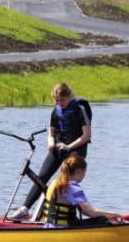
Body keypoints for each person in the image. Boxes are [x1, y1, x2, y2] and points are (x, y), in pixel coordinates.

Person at [20, 83, 93, 215]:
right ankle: (24, 209)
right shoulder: (56, 110)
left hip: (76, 148)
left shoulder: (79, 108)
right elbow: (51, 131)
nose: (60, 103)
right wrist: (51, 142)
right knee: (42, 176)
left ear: (69, 96)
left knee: (66, 181)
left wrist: (68, 146)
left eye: (63, 100)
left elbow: (87, 136)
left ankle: (70, 215)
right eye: (57, 100)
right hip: (60, 148)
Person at [36, 154, 127, 228]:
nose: (84, 176)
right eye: (84, 172)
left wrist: (110, 216)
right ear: (79, 171)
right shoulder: (73, 188)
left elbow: (84, 211)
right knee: (101, 220)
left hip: (48, 227)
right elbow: (92, 213)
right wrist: (114, 214)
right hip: (63, 229)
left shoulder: (54, 182)